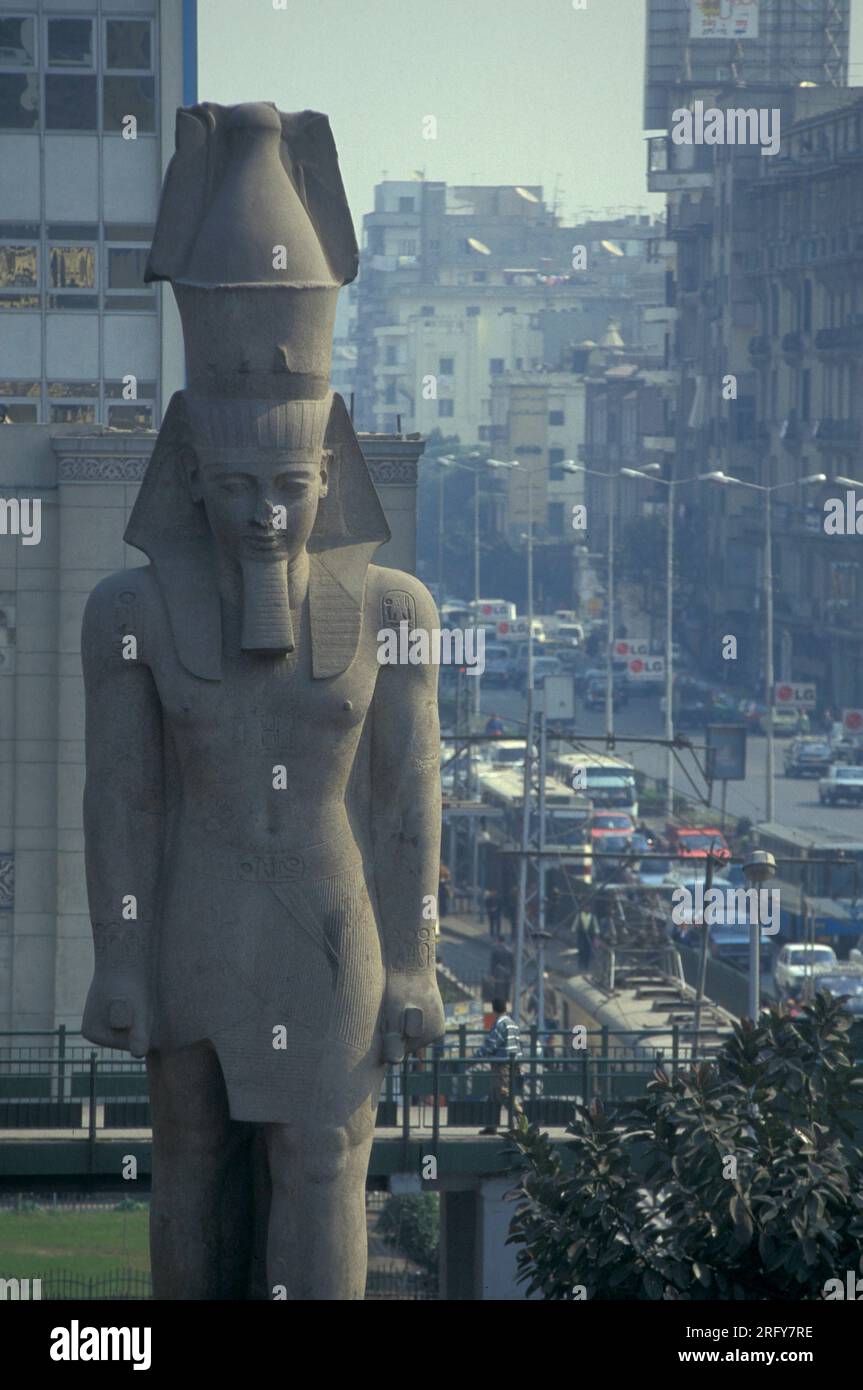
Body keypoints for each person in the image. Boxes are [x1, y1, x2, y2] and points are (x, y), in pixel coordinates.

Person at [474, 997, 523, 1135]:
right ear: (505, 1008)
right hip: (512, 1063)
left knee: (503, 1093)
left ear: (494, 1009)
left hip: (501, 1065)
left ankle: (520, 1120)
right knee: (493, 1095)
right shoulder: (513, 1024)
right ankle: (491, 1125)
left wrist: (475, 1057)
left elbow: (491, 1044)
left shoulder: (500, 1024)